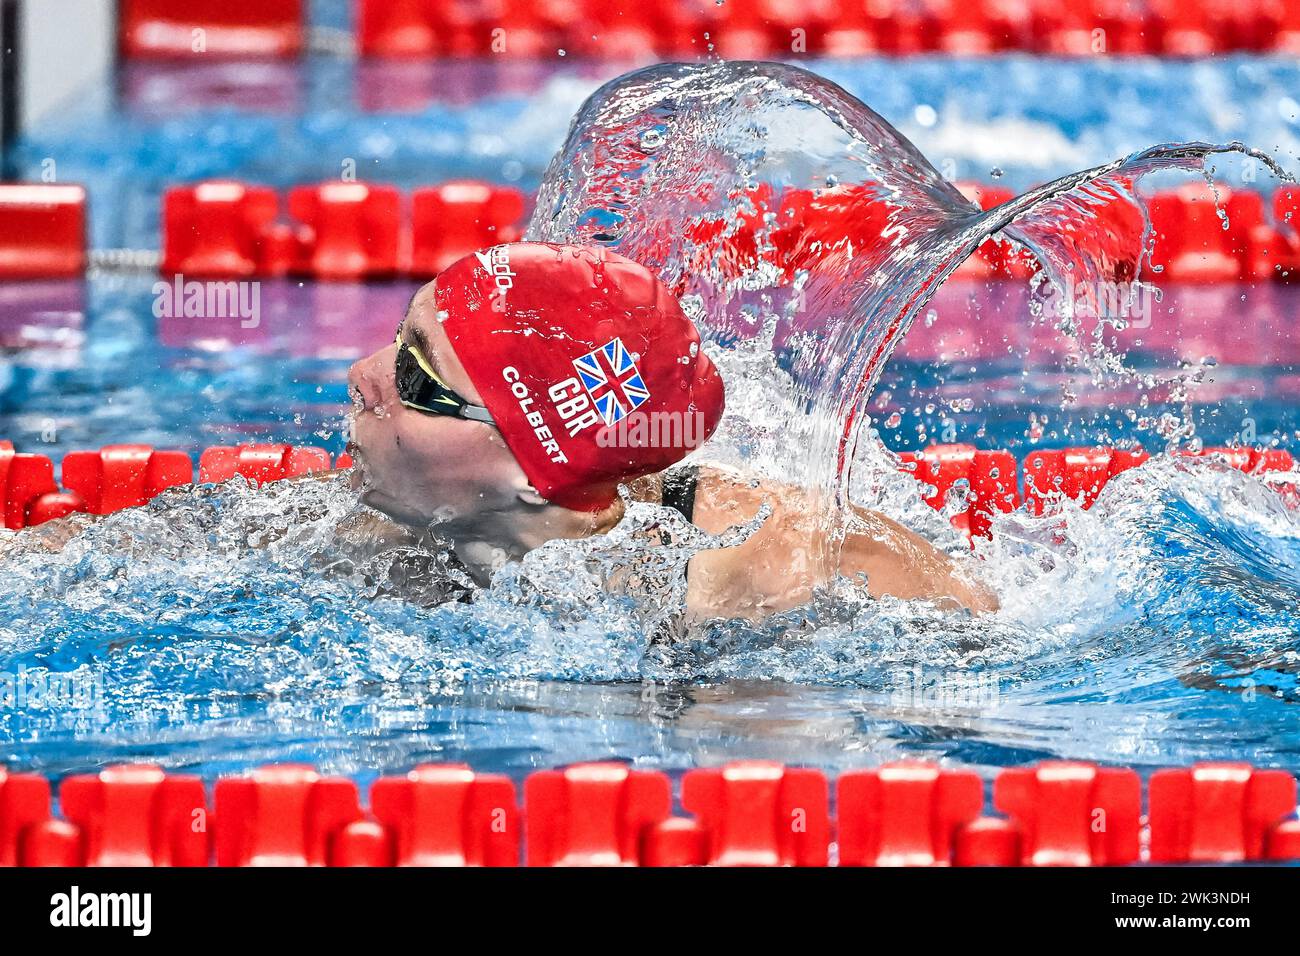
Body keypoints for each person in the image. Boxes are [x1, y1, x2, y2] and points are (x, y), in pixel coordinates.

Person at [345, 242, 996, 618]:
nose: (359, 372)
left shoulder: (795, 573)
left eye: (415, 377)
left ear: (532, 477)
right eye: (399, 336)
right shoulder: (378, 526)